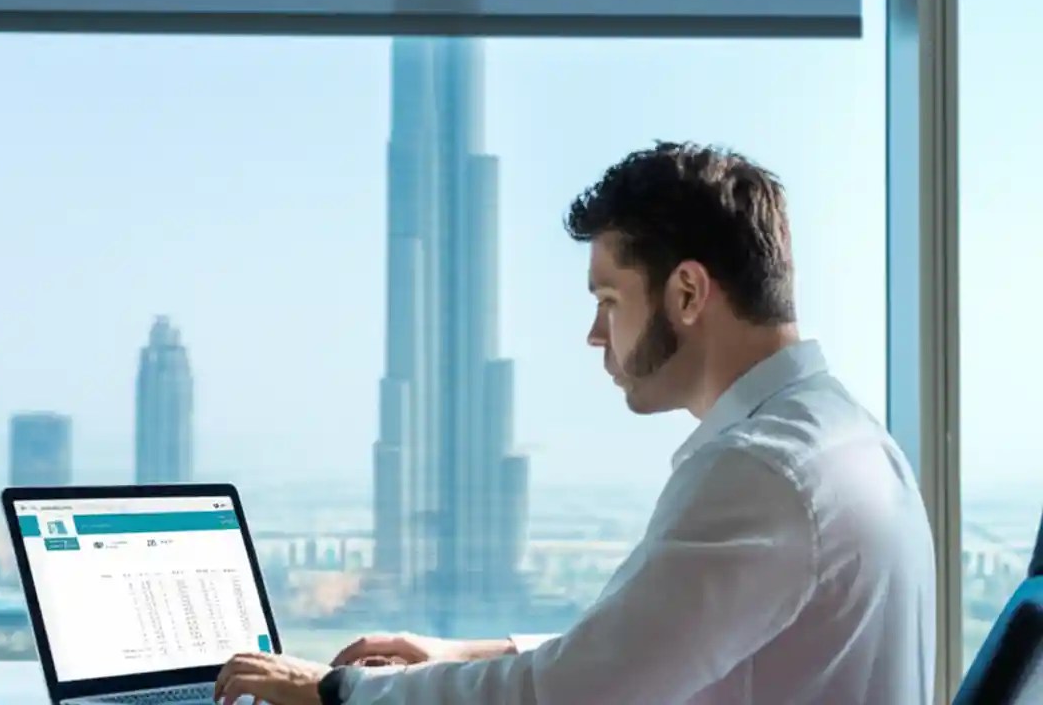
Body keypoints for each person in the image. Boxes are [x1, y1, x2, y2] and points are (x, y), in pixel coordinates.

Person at [214, 142, 936, 705]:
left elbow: (573, 695)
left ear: (687, 292)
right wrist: (460, 654)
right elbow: (642, 650)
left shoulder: (764, 470)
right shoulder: (846, 441)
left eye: (610, 299)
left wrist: (335, 691)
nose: (595, 334)